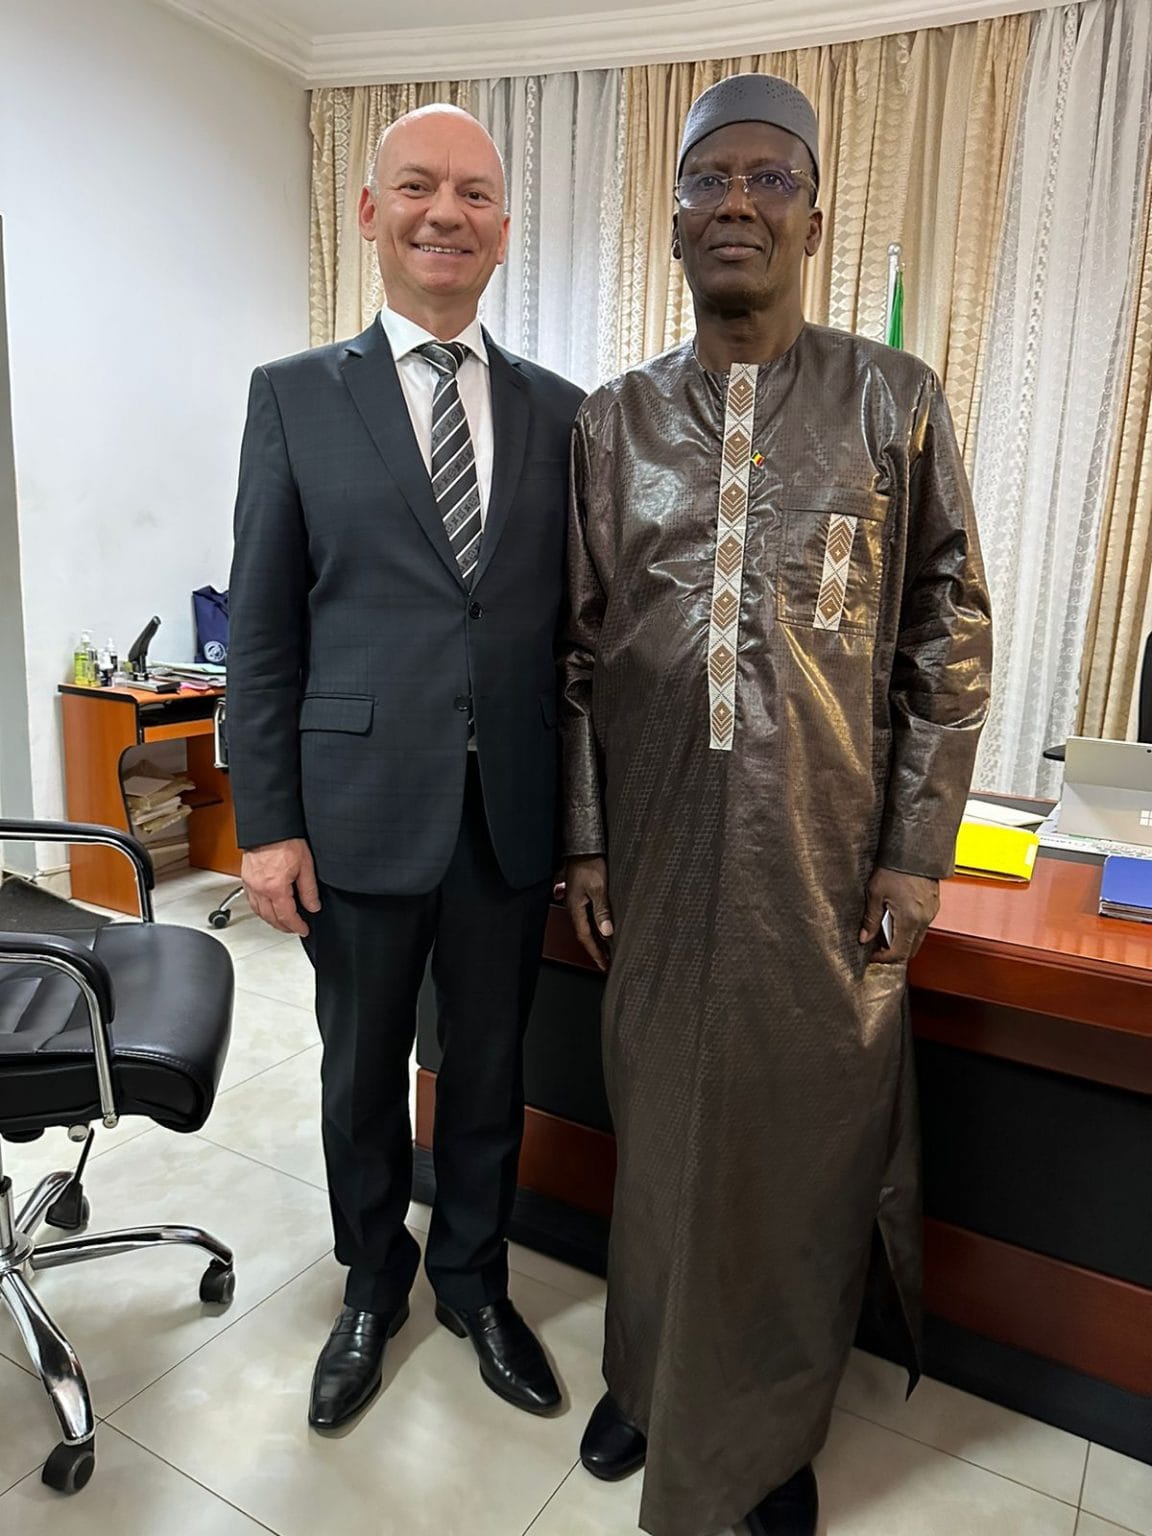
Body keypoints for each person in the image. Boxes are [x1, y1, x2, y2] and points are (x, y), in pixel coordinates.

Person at [561, 74, 993, 1536]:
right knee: (662, 1141)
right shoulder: (615, 422)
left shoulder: (894, 399)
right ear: (674, 218)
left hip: (823, 862)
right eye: (705, 181)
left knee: (795, 1159)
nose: (733, 200)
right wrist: (584, 834)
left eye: (766, 178)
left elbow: (950, 638)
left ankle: (762, 1436)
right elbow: (572, 654)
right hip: (662, 862)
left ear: (813, 210)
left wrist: (918, 854)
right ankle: (647, 1382)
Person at [228, 104, 583, 1432]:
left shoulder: (563, 412)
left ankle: (476, 1283)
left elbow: (565, 631)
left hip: (506, 818)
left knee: (491, 1072)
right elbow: (263, 629)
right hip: (356, 811)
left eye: (477, 193)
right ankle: (371, 1284)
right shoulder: (293, 397)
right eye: (419, 189)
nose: (449, 212)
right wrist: (268, 824)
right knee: (362, 1073)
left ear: (503, 225)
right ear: (371, 214)